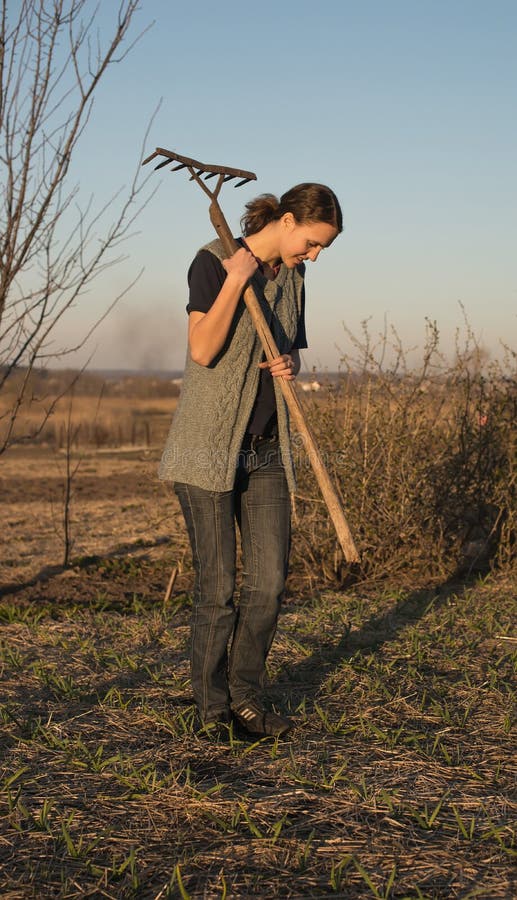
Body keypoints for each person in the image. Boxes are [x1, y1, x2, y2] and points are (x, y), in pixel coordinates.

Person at [159, 183, 343, 738]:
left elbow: (290, 349)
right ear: (286, 222)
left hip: (265, 451)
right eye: (312, 243)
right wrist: (236, 279)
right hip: (207, 449)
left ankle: (246, 699)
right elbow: (202, 350)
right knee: (217, 590)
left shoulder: (293, 278)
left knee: (268, 584)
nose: (314, 256)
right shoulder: (212, 261)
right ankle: (211, 709)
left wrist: (288, 360)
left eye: (322, 248)